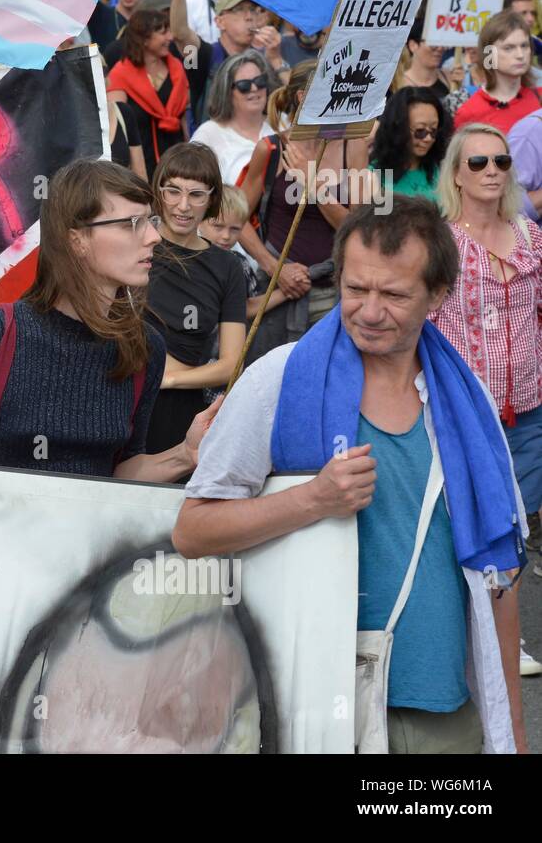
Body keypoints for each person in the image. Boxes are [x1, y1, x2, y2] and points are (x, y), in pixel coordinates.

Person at [175, 197, 528, 754]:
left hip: (444, 712)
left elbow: (501, 579)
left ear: (438, 295)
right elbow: (192, 531)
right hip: (311, 707)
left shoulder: (468, 401)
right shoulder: (279, 380)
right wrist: (312, 499)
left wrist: (514, 734)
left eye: (394, 295)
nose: (369, 311)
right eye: (355, 289)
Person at [0, 153, 222, 489]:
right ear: (76, 239)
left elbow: (118, 473)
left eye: (150, 221)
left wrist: (185, 455)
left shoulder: (145, 348)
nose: (154, 237)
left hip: (90, 524)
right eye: (132, 223)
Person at [431, 123, 542, 588]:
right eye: (478, 162)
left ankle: (504, 613)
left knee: (518, 524)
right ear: (457, 174)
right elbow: (423, 324)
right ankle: (478, 622)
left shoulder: (530, 235)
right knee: (477, 525)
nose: (492, 170)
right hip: (468, 412)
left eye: (501, 161)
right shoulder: (440, 242)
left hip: (530, 410)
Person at [238, 61, 374, 352]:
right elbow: (236, 219)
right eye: (336, 91)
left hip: (334, 290)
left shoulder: (353, 145)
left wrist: (313, 184)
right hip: (277, 289)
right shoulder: (271, 148)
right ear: (303, 97)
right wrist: (275, 268)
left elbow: (358, 228)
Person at [144, 143, 247, 454]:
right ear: (158, 191)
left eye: (197, 194)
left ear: (212, 198)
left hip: (181, 409)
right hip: (123, 395)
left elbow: (232, 365)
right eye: (173, 191)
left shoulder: (228, 266)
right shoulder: (137, 244)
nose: (183, 206)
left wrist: (170, 379)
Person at [107, 9, 188, 179]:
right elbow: (118, 127)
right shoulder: (120, 75)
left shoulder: (177, 69)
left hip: (178, 167)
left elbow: (183, 121)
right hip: (141, 171)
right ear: (143, 39)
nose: (170, 37)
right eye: (163, 32)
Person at [202, 184, 286, 323]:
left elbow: (245, 308)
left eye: (235, 229)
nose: (226, 236)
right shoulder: (184, 259)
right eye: (218, 226)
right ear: (199, 221)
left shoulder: (240, 264)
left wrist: (285, 292)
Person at [190, 50, 275, 184]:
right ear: (226, 91)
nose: (254, 88)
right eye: (244, 85)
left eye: (260, 81)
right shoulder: (208, 134)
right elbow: (191, 183)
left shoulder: (281, 123)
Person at [454, 10, 539, 133]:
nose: (520, 55)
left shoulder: (539, 98)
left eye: (524, 46)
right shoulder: (469, 112)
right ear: (489, 54)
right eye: (508, 48)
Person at [370, 86, 451, 202]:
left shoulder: (442, 170)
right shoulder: (374, 175)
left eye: (433, 130)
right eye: (420, 131)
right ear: (398, 129)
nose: (428, 138)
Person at [393, 28, 456, 100]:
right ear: (413, 45)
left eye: (442, 43)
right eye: (433, 43)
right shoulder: (400, 84)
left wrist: (459, 86)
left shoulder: (449, 77)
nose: (440, 48)